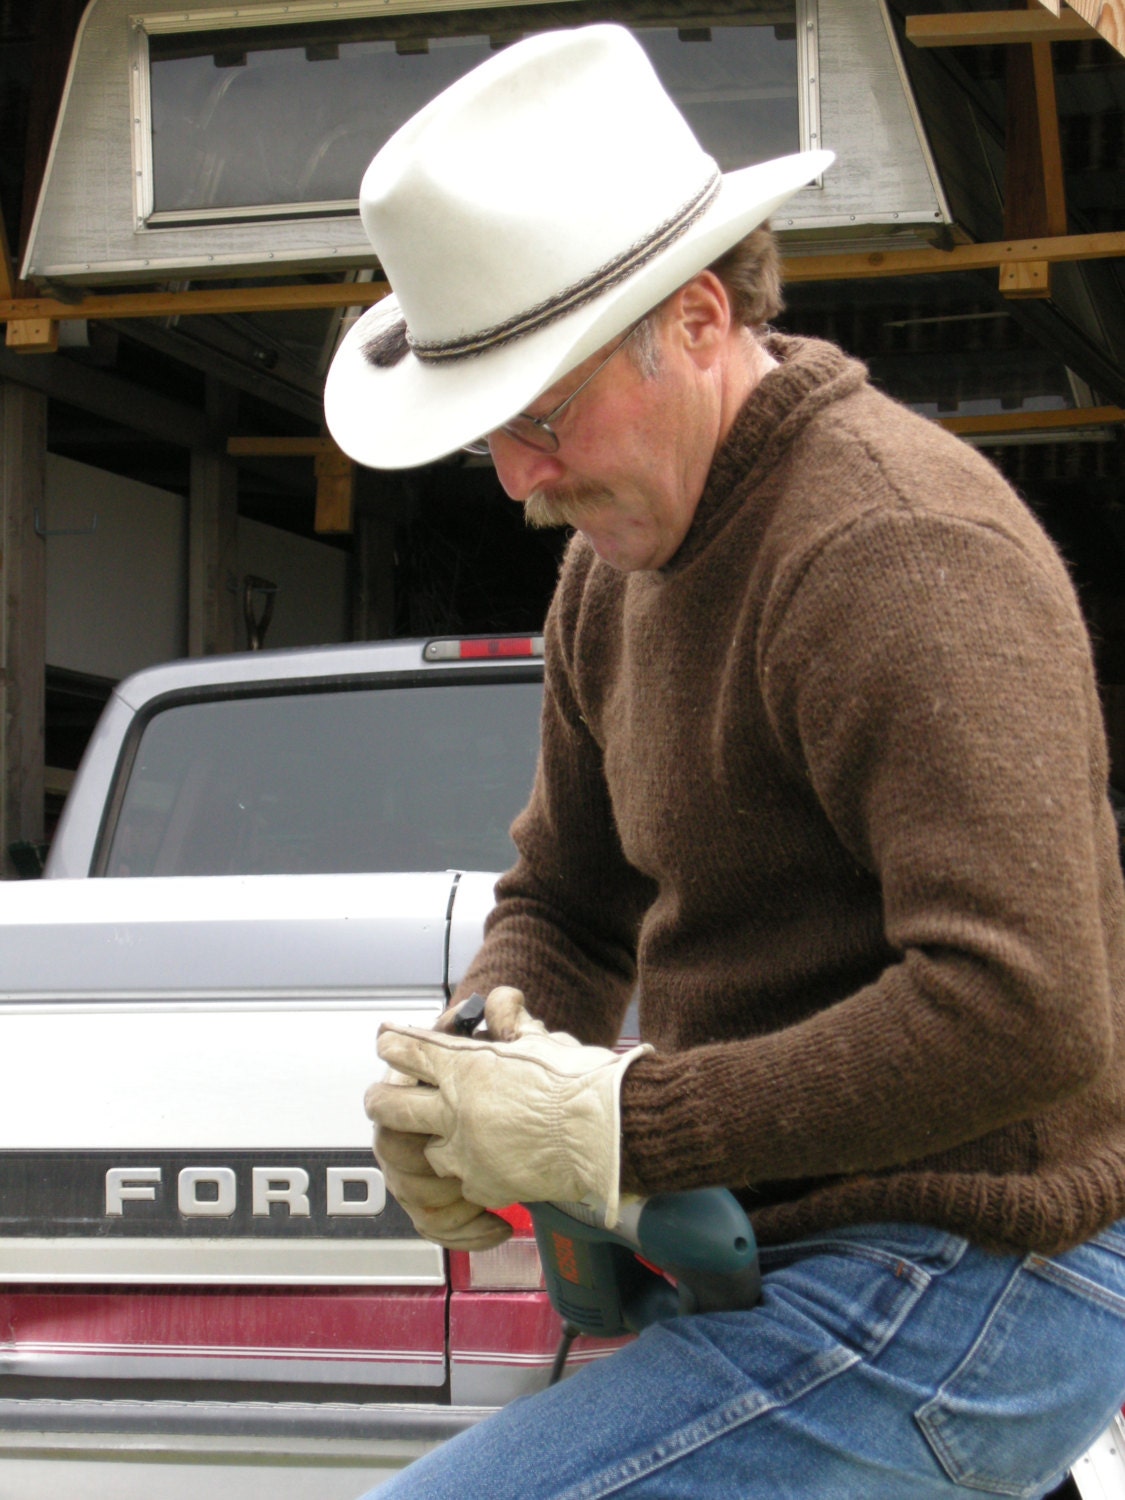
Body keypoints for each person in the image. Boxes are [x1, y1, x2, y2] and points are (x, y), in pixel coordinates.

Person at [325, 24, 1125, 1499]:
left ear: (697, 320)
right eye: (490, 433)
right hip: (791, 1255)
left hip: (987, 1268)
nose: (517, 478)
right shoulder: (611, 574)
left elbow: (1024, 1011)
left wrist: (620, 1124)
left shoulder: (894, 551)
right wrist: (477, 1061)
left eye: (543, 414)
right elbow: (566, 904)